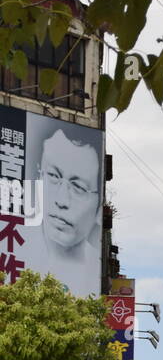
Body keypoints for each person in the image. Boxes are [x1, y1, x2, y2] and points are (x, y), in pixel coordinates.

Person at [23, 126, 103, 297]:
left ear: (99, 208)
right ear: (39, 178)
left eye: (78, 187)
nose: (62, 200)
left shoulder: (95, 275)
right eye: (53, 176)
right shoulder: (13, 253)